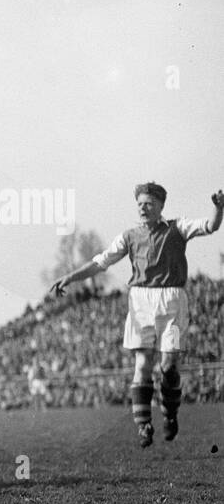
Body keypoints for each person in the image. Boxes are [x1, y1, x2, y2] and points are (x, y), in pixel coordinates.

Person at [49, 181, 223, 446]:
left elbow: (210, 226)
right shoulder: (129, 236)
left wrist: (218, 208)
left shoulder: (177, 228)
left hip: (173, 301)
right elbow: (100, 262)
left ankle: (170, 415)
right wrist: (70, 278)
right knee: (142, 365)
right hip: (141, 302)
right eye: (140, 204)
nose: (143, 208)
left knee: (169, 366)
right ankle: (143, 426)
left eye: (149, 203)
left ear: (161, 206)